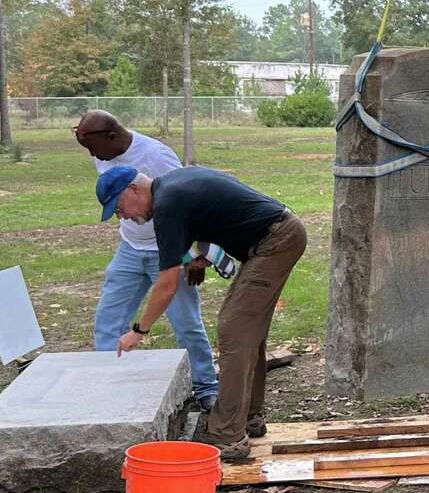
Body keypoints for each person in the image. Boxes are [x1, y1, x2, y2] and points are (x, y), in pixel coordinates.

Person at [96, 163, 307, 460]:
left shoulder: (167, 204)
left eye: (118, 208)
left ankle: (227, 436)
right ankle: (249, 417)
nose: (123, 216)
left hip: (275, 240)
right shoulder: (171, 187)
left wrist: (138, 330)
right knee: (247, 328)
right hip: (277, 236)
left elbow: (167, 284)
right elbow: (210, 215)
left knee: (234, 328)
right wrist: (197, 257)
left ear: (133, 189)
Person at [74, 111, 218, 409]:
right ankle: (110, 386)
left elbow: (188, 200)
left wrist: (195, 255)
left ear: (111, 136)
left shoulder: (156, 156)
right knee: (108, 320)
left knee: (185, 323)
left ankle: (204, 386)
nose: (92, 155)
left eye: (92, 148)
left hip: (167, 249)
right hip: (130, 248)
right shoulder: (102, 152)